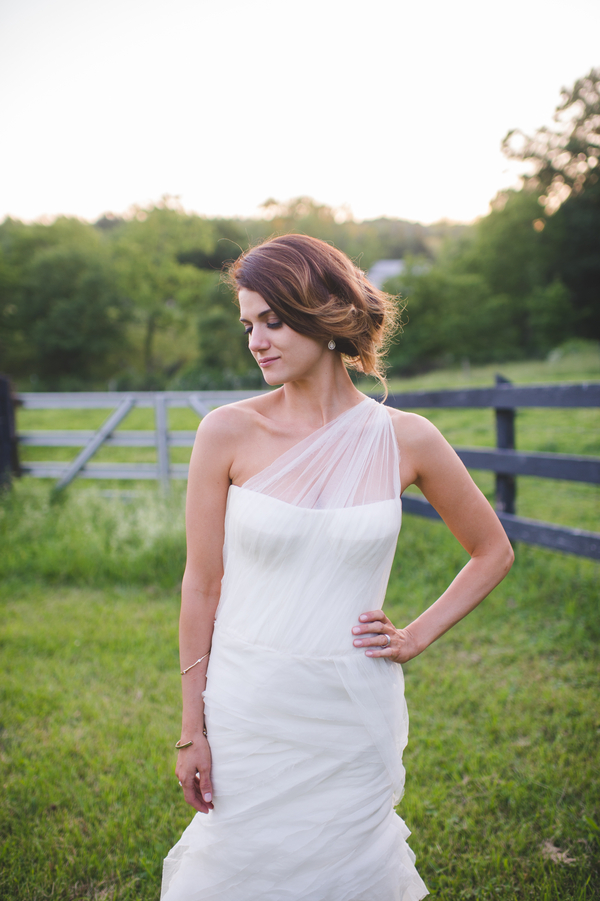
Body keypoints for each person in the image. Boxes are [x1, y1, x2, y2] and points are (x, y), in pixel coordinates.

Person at [161, 234, 514, 901]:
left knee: (347, 869)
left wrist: (417, 634)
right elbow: (201, 584)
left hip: (352, 703)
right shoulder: (227, 433)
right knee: (241, 865)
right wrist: (190, 730)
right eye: (247, 324)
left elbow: (492, 549)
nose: (256, 340)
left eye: (272, 319)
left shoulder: (406, 438)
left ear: (325, 313)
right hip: (249, 700)